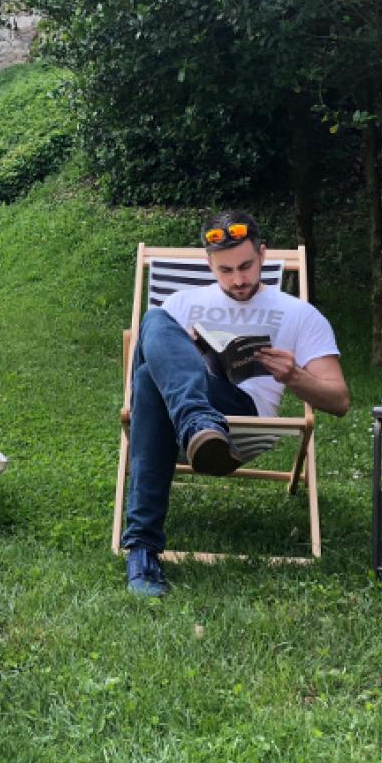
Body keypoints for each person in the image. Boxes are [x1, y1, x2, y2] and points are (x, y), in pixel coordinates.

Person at [122, 210, 350, 596]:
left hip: (242, 422)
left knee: (151, 371)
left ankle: (142, 549)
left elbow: (340, 400)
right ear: (209, 263)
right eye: (225, 270)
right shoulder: (182, 303)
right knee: (156, 323)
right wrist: (188, 354)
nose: (239, 279)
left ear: (263, 254)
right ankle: (197, 422)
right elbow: (140, 375)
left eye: (246, 266)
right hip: (182, 426)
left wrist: (294, 376)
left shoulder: (298, 314)